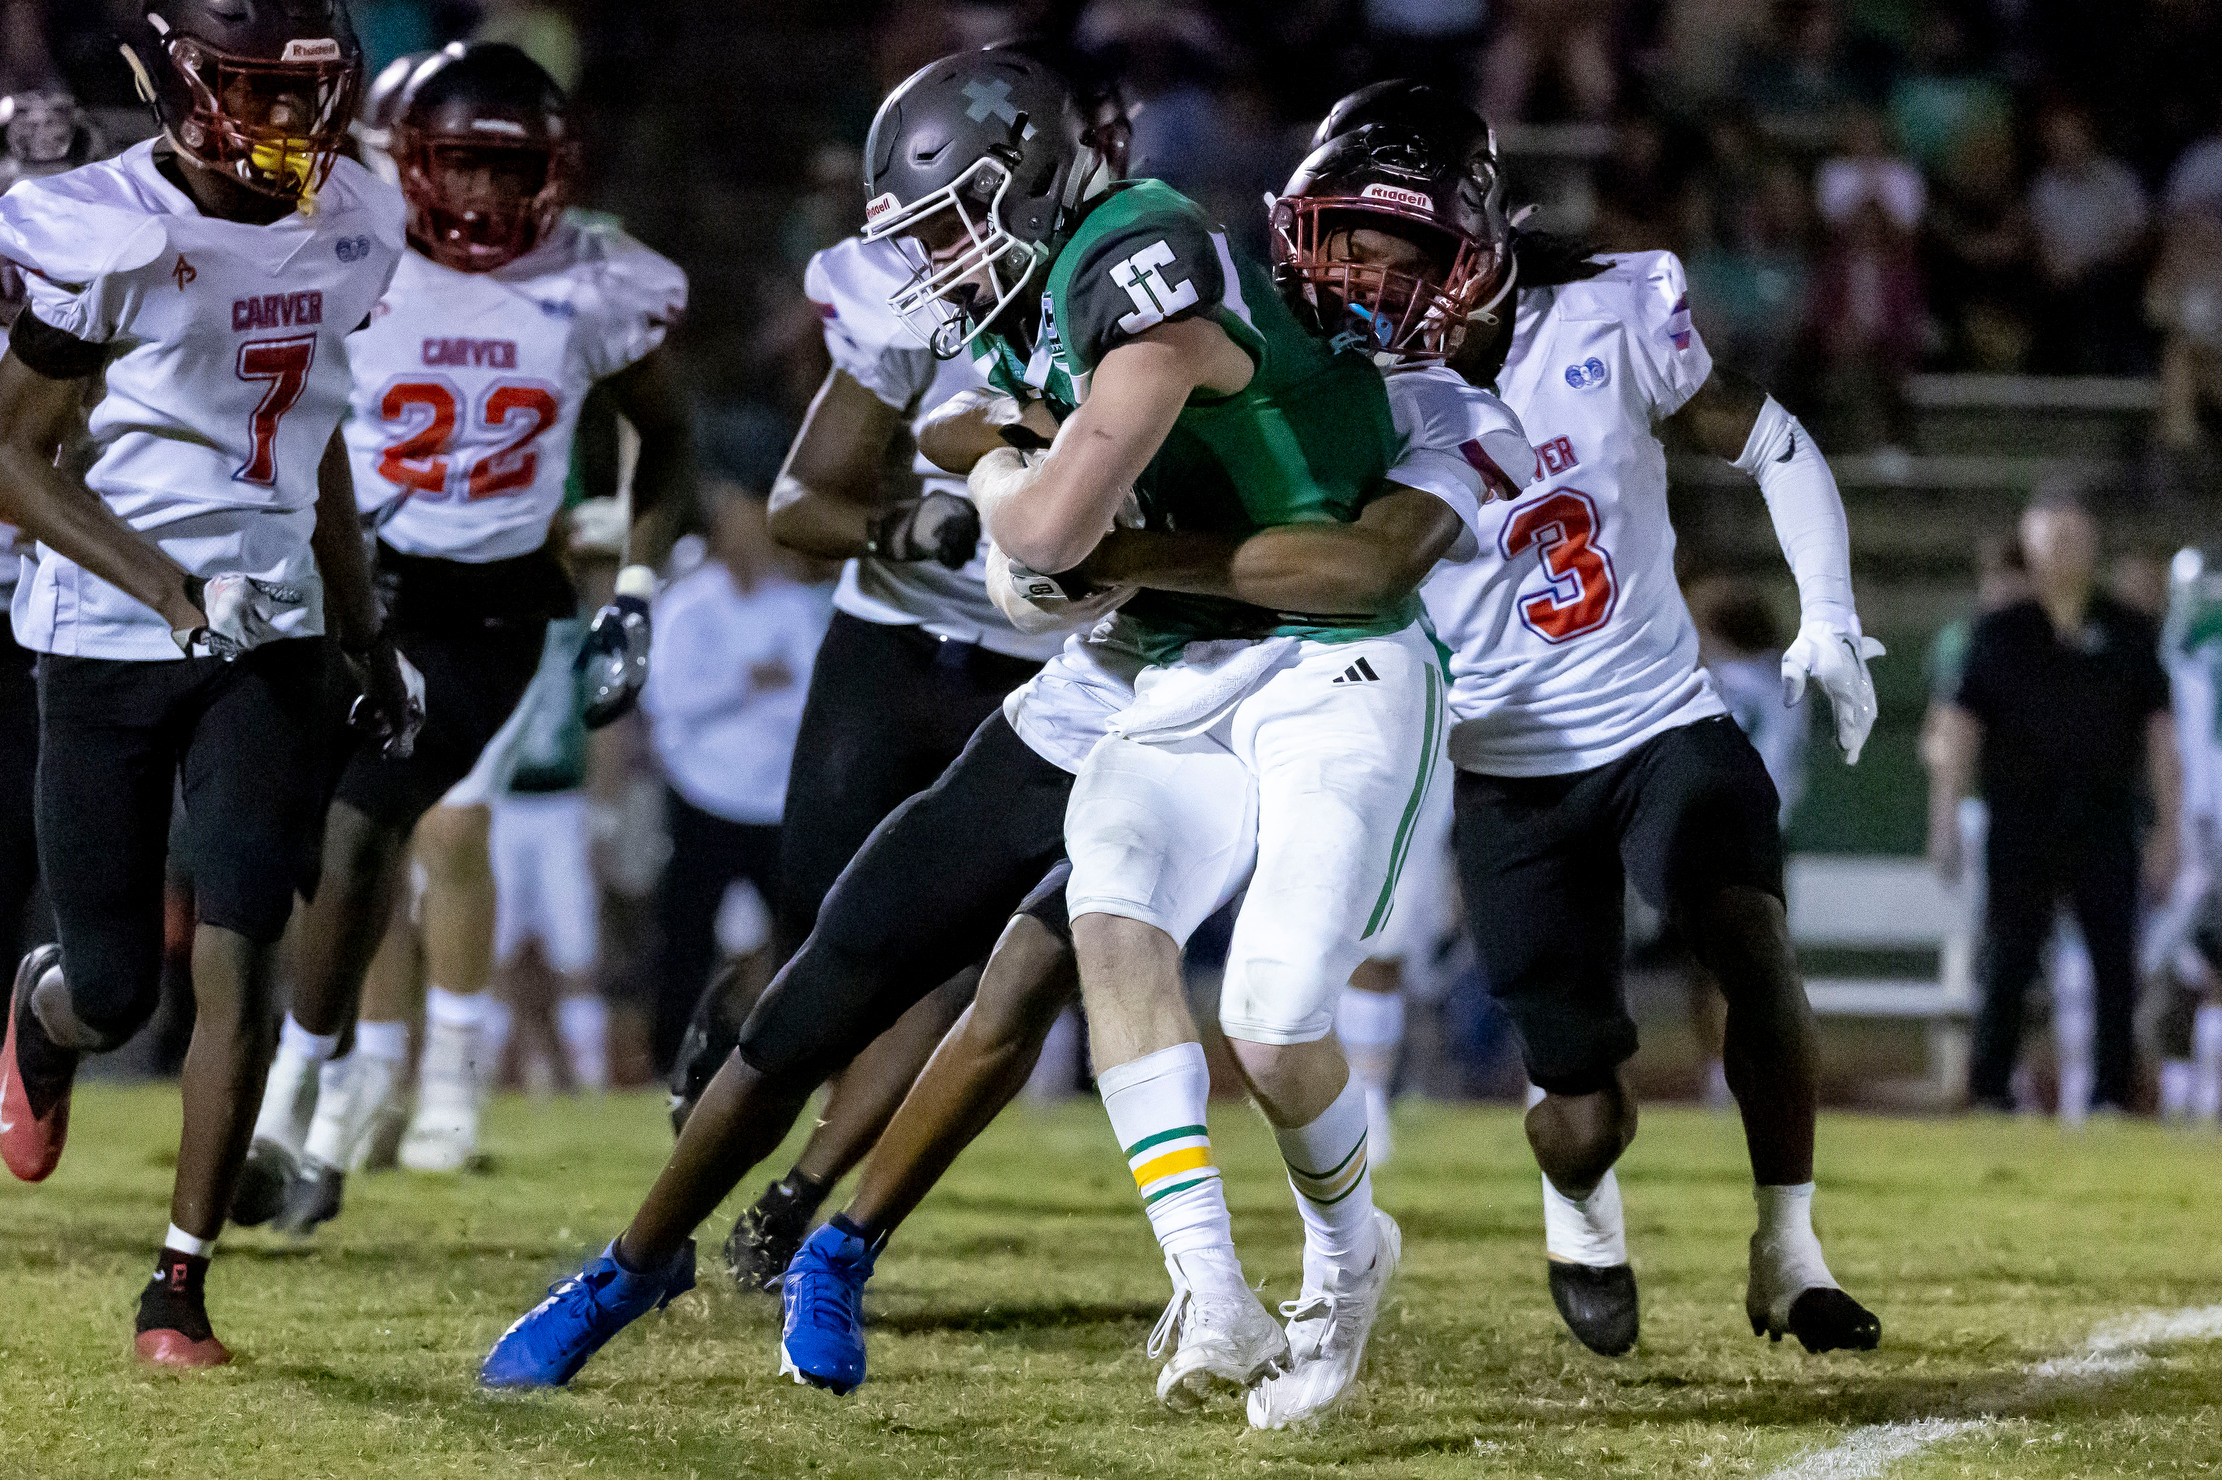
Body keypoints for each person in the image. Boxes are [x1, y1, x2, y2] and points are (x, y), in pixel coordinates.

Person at [478, 53, 1526, 1415]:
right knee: (846, 965)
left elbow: (1342, 574)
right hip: (1125, 677)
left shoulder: (1378, 371)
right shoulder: (1084, 277)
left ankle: (844, 1245)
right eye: (1354, 246)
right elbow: (971, 415)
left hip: (1305, 684)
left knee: (1043, 985)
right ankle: (631, 1266)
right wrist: (1013, 468)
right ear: (1297, 221)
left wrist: (1095, 537)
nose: (1373, 287)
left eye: (1412, 259)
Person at [1309, 82, 1885, 1361]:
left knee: (1744, 930)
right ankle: (1579, 1204)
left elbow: (1774, 442)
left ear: (1469, 239)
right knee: (1577, 1106)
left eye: (1387, 253)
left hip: (1653, 712)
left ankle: (1787, 1248)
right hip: (1500, 763)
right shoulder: (1347, 381)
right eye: (1343, 247)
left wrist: (1827, 612)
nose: (1359, 282)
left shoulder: (1607, 310)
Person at [0, 0, 413, 1366]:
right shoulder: (107, 227)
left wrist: (358, 625)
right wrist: (175, 596)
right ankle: (42, 1011)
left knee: (242, 934)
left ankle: (177, 1287)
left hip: (273, 634)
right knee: (120, 991)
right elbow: (14, 459)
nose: (287, 124)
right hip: (110, 630)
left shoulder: (351, 216)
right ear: (179, 81)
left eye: (305, 94)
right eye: (251, 90)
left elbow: (320, 427)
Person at [674, 50, 1126, 1293]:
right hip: (895, 643)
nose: (937, 249)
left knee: (938, 955)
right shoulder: (924, 300)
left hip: (1046, 679)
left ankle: (799, 1199)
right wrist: (901, 526)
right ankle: (733, 1032)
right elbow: (799, 503)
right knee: (826, 940)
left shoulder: (1148, 299)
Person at [234, 41, 690, 1218]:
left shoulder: (598, 280)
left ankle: (295, 1102)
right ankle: (338, 1090)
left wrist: (636, 585)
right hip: (345, 584)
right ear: (410, 163)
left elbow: (669, 440)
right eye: (460, 167)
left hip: (485, 607)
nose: (483, 196)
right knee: (309, 851)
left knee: (366, 831)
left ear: (552, 171)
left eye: (507, 169)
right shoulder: (350, 249)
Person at [1927, 492, 2179, 1114]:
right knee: (2009, 957)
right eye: (2050, 537)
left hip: (2107, 819)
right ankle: (1990, 1092)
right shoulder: (1999, 631)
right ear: (2029, 546)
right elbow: (1959, 730)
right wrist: (1945, 819)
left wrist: (2169, 828)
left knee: (2115, 964)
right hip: (2021, 819)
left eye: (2074, 536)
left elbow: (2160, 737)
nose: (2063, 549)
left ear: (2093, 545)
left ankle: (2110, 1098)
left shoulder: (2129, 630)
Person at [643, 483, 829, 1072]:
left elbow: (810, 699)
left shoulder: (799, 605)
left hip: (777, 799)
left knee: (806, 936)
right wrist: (746, 683)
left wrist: (738, 689)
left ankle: (803, 1055)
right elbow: (670, 697)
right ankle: (666, 1060)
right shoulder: (688, 606)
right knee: (685, 940)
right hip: (703, 793)